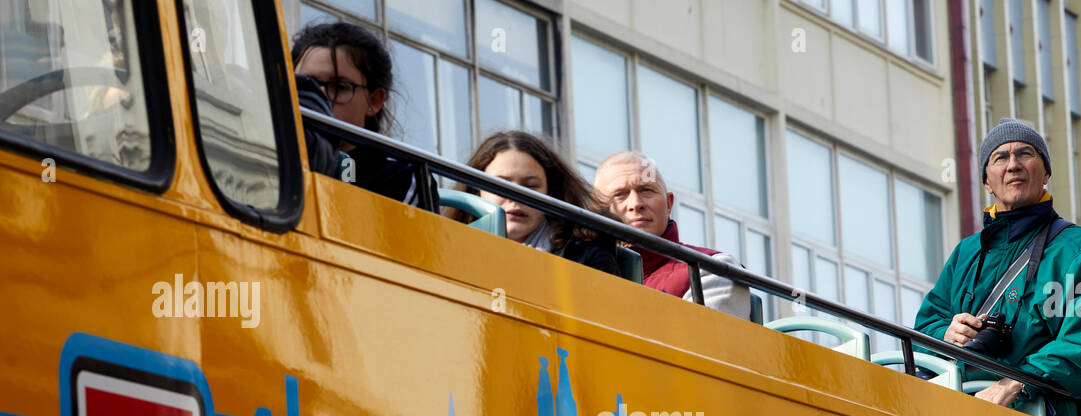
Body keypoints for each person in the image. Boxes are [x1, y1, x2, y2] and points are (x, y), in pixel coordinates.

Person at [913, 118, 1081, 416]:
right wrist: (947, 332)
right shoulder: (966, 253)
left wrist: (1015, 383)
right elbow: (923, 329)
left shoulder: (1080, 248)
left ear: (1046, 172)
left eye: (1025, 154)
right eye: (1000, 157)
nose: (1013, 165)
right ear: (987, 181)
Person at [594, 152, 750, 319]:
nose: (635, 204)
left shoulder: (711, 268)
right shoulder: (579, 272)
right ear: (596, 209)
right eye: (619, 195)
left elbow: (704, 340)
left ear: (669, 205)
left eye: (646, 190)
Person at [452, 131, 620, 277]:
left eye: (530, 186)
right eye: (500, 185)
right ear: (476, 189)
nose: (516, 197)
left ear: (550, 191)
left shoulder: (586, 254)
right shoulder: (450, 246)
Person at [291, 21, 419, 206]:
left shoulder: (401, 176)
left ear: (374, 101)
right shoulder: (268, 154)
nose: (319, 97)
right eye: (305, 84)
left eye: (340, 87)